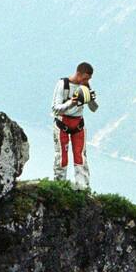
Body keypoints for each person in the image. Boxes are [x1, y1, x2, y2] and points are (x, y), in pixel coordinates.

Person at [51, 62, 99, 190]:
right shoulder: (63, 85)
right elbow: (55, 109)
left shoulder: (85, 86)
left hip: (78, 124)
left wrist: (91, 99)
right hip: (62, 124)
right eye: (85, 78)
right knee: (61, 157)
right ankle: (59, 187)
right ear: (78, 73)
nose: (86, 81)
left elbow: (94, 109)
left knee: (81, 157)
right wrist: (72, 103)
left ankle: (82, 188)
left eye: (88, 79)